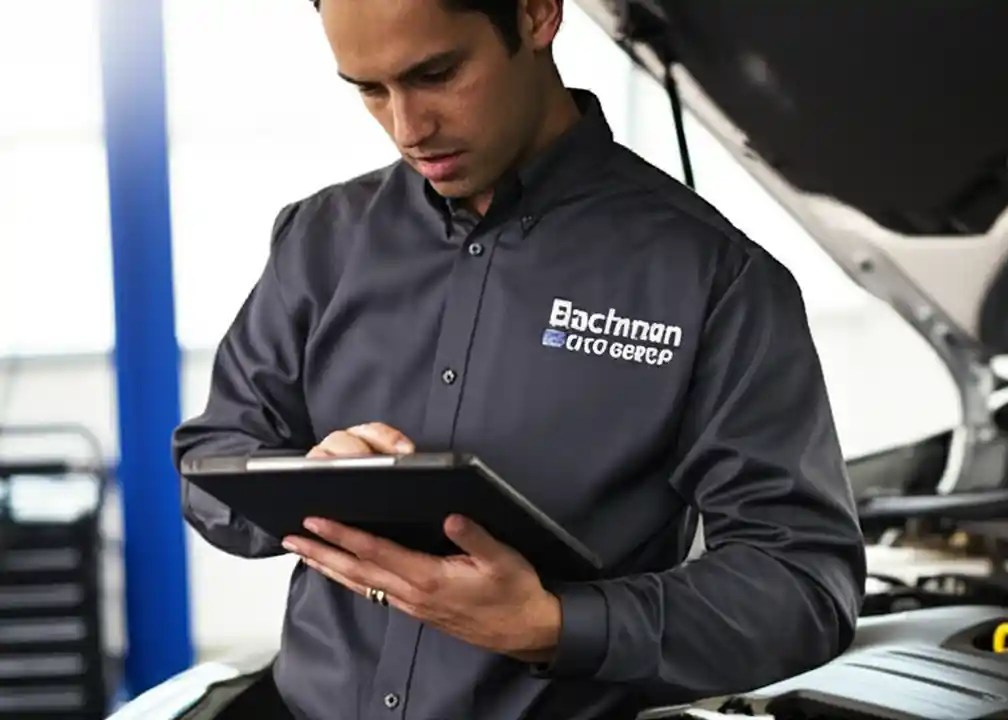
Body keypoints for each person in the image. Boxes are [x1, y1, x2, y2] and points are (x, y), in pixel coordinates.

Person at [172, 0, 867, 717]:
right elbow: (210, 461)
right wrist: (310, 484)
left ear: (537, 14)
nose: (409, 128)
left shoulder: (716, 281)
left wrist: (555, 626)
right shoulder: (320, 239)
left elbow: (802, 587)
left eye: (436, 73)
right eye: (370, 90)